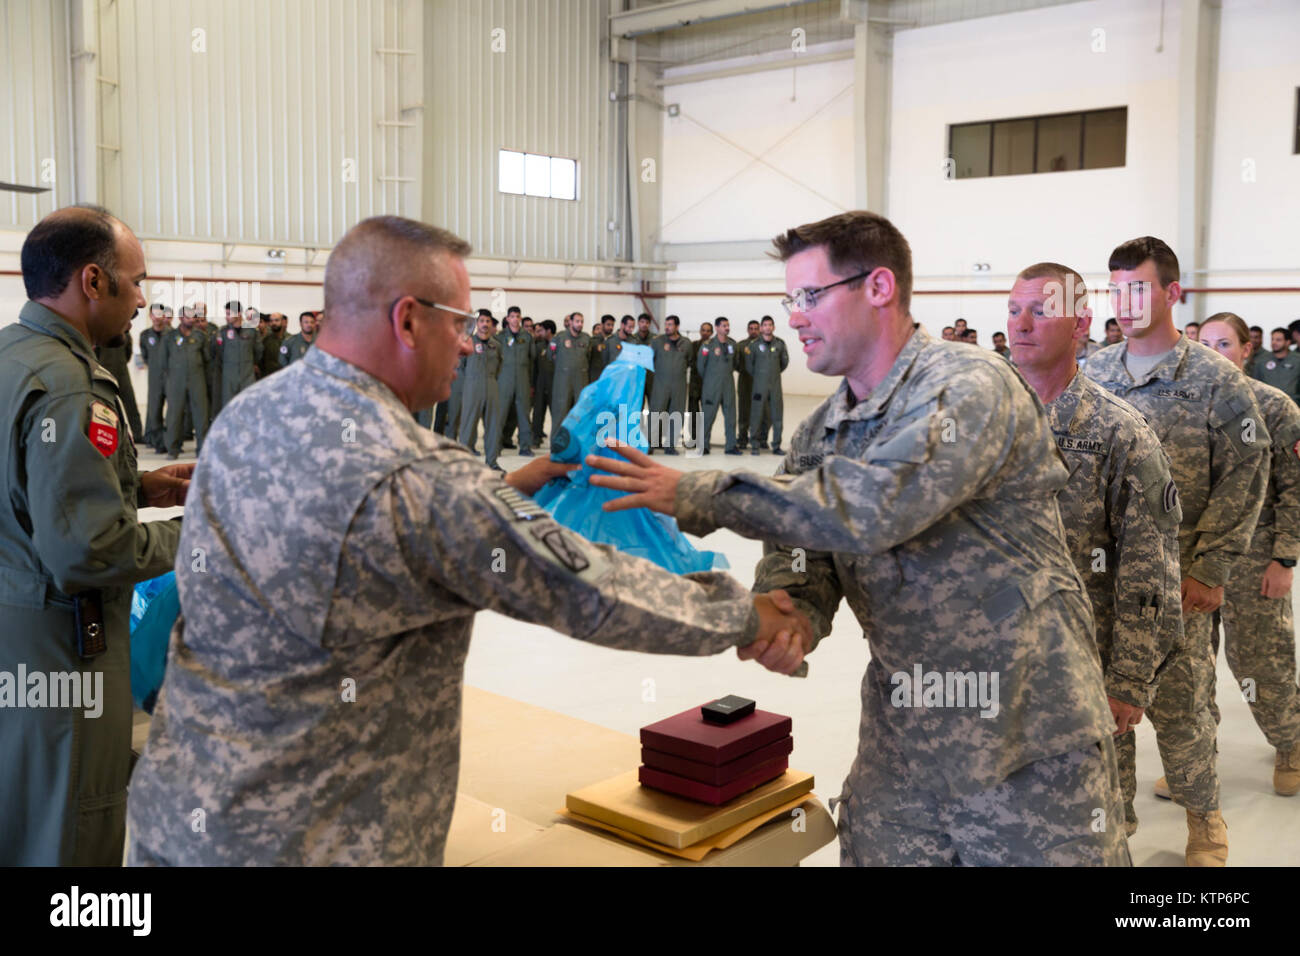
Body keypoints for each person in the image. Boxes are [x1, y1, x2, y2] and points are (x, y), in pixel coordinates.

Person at [124, 215, 811, 866]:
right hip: (315, 837)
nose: (468, 343)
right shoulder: (418, 475)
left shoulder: (246, 417)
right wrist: (749, 616)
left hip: (183, 814)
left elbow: (432, 528)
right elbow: (591, 588)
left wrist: (522, 480)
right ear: (408, 318)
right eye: (461, 324)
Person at [588, 210, 1127, 866]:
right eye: (791, 299)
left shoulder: (967, 386)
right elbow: (799, 546)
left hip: (1028, 743)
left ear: (878, 288)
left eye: (811, 296)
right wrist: (796, 610)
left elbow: (872, 506)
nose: (795, 316)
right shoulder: (820, 432)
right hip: (905, 747)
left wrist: (698, 491)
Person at [0, 204, 189, 866]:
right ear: (92, 281)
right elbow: (90, 552)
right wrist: (200, 537)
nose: (142, 298)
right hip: (64, 645)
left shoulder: (12, 355)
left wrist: (137, 485)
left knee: (23, 804)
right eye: (135, 281)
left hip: (13, 627)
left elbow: (21, 486)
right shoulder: (72, 387)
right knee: (73, 822)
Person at [1084, 236, 1268, 866]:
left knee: (1184, 711)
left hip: (1177, 583)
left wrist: (1212, 568)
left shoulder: (1217, 381)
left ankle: (1204, 820)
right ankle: (1115, 823)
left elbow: (1248, 472)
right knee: (1104, 715)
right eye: (1116, 287)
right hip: (1102, 588)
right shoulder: (1094, 373)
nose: (1125, 300)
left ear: (1171, 292)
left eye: (1138, 286)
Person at [1008, 261, 1183, 838]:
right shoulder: (975, 421)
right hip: (989, 673)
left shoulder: (1118, 432)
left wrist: (1129, 681)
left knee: (1093, 830)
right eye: (1014, 309)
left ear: (1081, 322)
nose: (1022, 323)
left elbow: (1148, 566)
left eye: (1041, 309)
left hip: (1083, 677)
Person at [1196, 314, 1300, 796]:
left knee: (1262, 661)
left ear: (1245, 350)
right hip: (1194, 560)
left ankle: (1291, 743)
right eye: (1204, 342)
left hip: (1256, 559)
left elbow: (1294, 490)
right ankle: (1196, 762)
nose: (1214, 351)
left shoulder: (1276, 408)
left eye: (1224, 343)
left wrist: (1286, 559)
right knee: (1192, 667)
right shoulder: (1185, 405)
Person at [161, 305, 214, 459]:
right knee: (174, 415)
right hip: (176, 380)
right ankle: (173, 449)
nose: (192, 319)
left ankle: (202, 449)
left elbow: (207, 359)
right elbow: (164, 361)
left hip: (197, 379)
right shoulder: (170, 337)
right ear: (181, 318)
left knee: (201, 415)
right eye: (188, 316)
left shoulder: (200, 336)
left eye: (193, 316)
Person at [457, 311, 502, 466]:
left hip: (491, 385)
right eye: (481, 321)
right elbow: (460, 366)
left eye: (488, 321)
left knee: (493, 427)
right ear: (477, 323)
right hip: (472, 386)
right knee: (467, 427)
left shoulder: (496, 345)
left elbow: (499, 367)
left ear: (491, 324)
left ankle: (492, 462)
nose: (485, 324)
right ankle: (463, 463)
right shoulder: (467, 342)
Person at [491, 309, 534, 459]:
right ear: (507, 319)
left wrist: (531, 382)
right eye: (512, 317)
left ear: (520, 318)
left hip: (522, 379)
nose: (515, 319)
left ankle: (526, 446)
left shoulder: (527, 337)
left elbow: (532, 360)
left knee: (524, 414)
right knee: (500, 414)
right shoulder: (499, 337)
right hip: (504, 380)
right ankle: (495, 446)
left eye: (517, 316)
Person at [648, 314, 691, 455]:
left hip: (679, 384)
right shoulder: (657, 341)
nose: (667, 327)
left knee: (676, 414)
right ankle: (650, 444)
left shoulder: (686, 343)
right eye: (666, 324)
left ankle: (670, 446)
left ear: (677, 327)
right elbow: (649, 359)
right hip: (661, 383)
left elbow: (689, 360)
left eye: (670, 325)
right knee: (655, 413)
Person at [746, 315, 788, 455]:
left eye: (770, 325)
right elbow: (749, 366)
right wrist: (760, 376)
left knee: (777, 416)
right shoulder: (754, 345)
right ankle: (755, 445)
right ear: (761, 327)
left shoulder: (780, 344)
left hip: (775, 385)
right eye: (765, 325)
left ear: (773, 327)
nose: (767, 327)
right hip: (759, 386)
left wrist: (773, 374)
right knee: (756, 415)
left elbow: (784, 363)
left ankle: (776, 446)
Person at [94, 326, 145, 439]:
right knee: (106, 406)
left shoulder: (124, 334)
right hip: (108, 373)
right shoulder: (100, 334)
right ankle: (110, 434)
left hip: (119, 373)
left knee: (130, 403)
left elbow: (128, 352)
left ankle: (138, 435)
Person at [213, 300, 263, 413]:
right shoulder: (223, 332)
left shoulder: (252, 331)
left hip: (247, 375)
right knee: (228, 407)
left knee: (248, 405)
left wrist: (250, 363)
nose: (226, 317)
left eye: (229, 314)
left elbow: (258, 351)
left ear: (239, 314)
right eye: (226, 314)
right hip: (229, 376)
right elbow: (218, 352)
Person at [550, 312, 592, 427]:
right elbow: (551, 356)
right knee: (560, 412)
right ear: (570, 322)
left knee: (581, 413)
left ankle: (578, 444)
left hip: (581, 380)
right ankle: (558, 443)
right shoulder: (559, 338)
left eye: (582, 322)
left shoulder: (586, 338)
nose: (580, 324)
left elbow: (589, 357)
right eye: (577, 321)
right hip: (563, 381)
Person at [138, 303, 170, 452]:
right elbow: (144, 356)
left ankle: (171, 441)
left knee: (174, 411)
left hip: (171, 378)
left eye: (160, 314)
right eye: (154, 314)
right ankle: (158, 443)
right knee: (154, 410)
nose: (157, 318)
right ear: (150, 316)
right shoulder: (145, 336)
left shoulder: (173, 334)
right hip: (155, 379)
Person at [1252, 328, 1300, 403]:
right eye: (1272, 339)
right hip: (1267, 406)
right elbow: (1254, 385)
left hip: (1293, 405)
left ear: (1288, 342)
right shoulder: (1261, 361)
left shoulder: (1297, 360)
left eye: (1278, 340)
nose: (1274, 342)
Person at [530, 319, 556, 448]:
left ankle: (557, 439)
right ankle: (536, 438)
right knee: (538, 413)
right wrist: (532, 385)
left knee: (557, 414)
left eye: (542, 330)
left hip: (554, 385)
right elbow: (534, 367)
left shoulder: (558, 345)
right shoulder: (538, 345)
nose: (540, 333)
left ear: (548, 331)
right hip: (540, 383)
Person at [736, 319, 761, 449]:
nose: (753, 331)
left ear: (760, 330)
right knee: (743, 412)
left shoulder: (765, 344)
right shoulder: (741, 346)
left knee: (761, 412)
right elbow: (736, 363)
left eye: (756, 328)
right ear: (748, 330)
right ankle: (742, 439)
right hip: (745, 382)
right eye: (751, 328)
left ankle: (759, 439)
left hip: (760, 383)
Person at [688, 321, 713, 425]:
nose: (705, 333)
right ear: (700, 331)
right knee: (693, 413)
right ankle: (693, 438)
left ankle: (704, 438)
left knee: (707, 412)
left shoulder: (714, 347)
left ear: (711, 333)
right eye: (703, 330)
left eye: (708, 331)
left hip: (708, 384)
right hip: (694, 383)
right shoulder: (693, 345)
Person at [259, 312, 288, 377]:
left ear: (283, 322)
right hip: (270, 378)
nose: (274, 323)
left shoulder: (290, 340)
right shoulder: (266, 341)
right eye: (271, 321)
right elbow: (261, 363)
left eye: (277, 320)